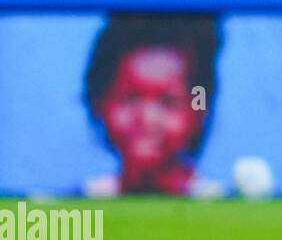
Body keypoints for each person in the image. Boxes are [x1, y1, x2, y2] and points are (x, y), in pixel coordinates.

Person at [82, 14, 223, 198]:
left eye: (168, 102)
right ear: (99, 102)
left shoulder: (219, 204)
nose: (146, 119)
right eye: (129, 98)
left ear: (199, 110)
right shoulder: (82, 205)